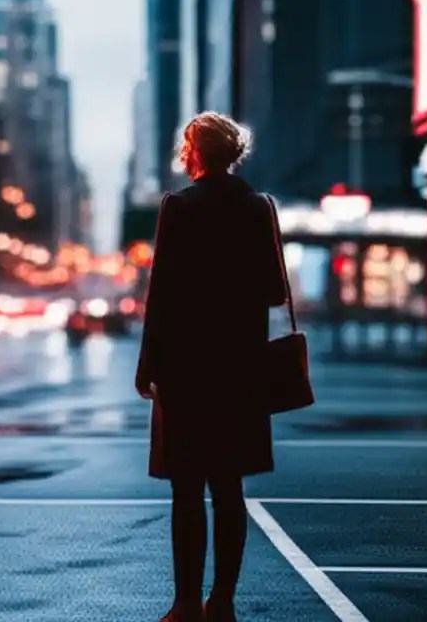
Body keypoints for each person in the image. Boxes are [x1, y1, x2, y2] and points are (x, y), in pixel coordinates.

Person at [135, 111, 289, 622]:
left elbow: (161, 297)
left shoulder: (178, 207)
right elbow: (273, 291)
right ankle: (222, 600)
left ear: (195, 152)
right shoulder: (258, 208)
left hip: (185, 367)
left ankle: (184, 603)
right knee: (228, 488)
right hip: (241, 366)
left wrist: (148, 365)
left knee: (186, 489)